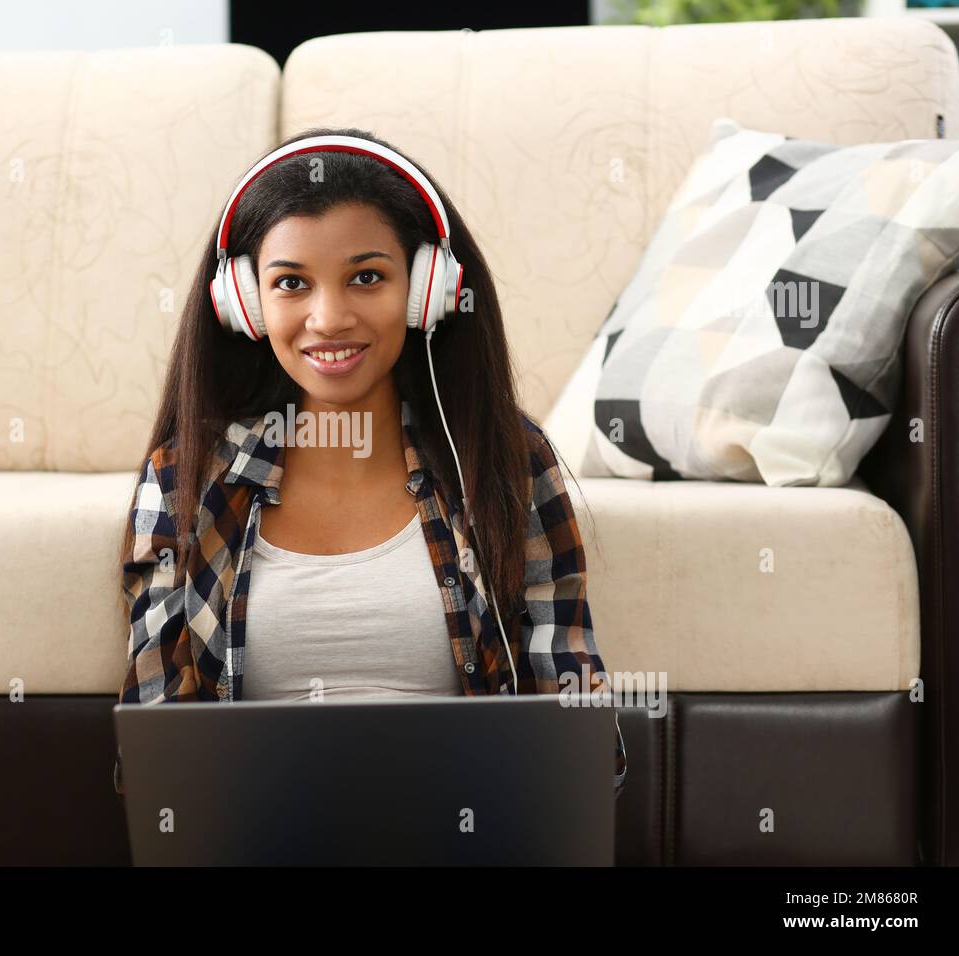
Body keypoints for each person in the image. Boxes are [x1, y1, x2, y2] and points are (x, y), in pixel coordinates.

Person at [114, 126, 625, 799]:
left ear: (429, 291)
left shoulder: (503, 458)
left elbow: (577, 732)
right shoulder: (185, 479)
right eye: (291, 283)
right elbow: (159, 760)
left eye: (366, 277)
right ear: (243, 303)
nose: (328, 318)